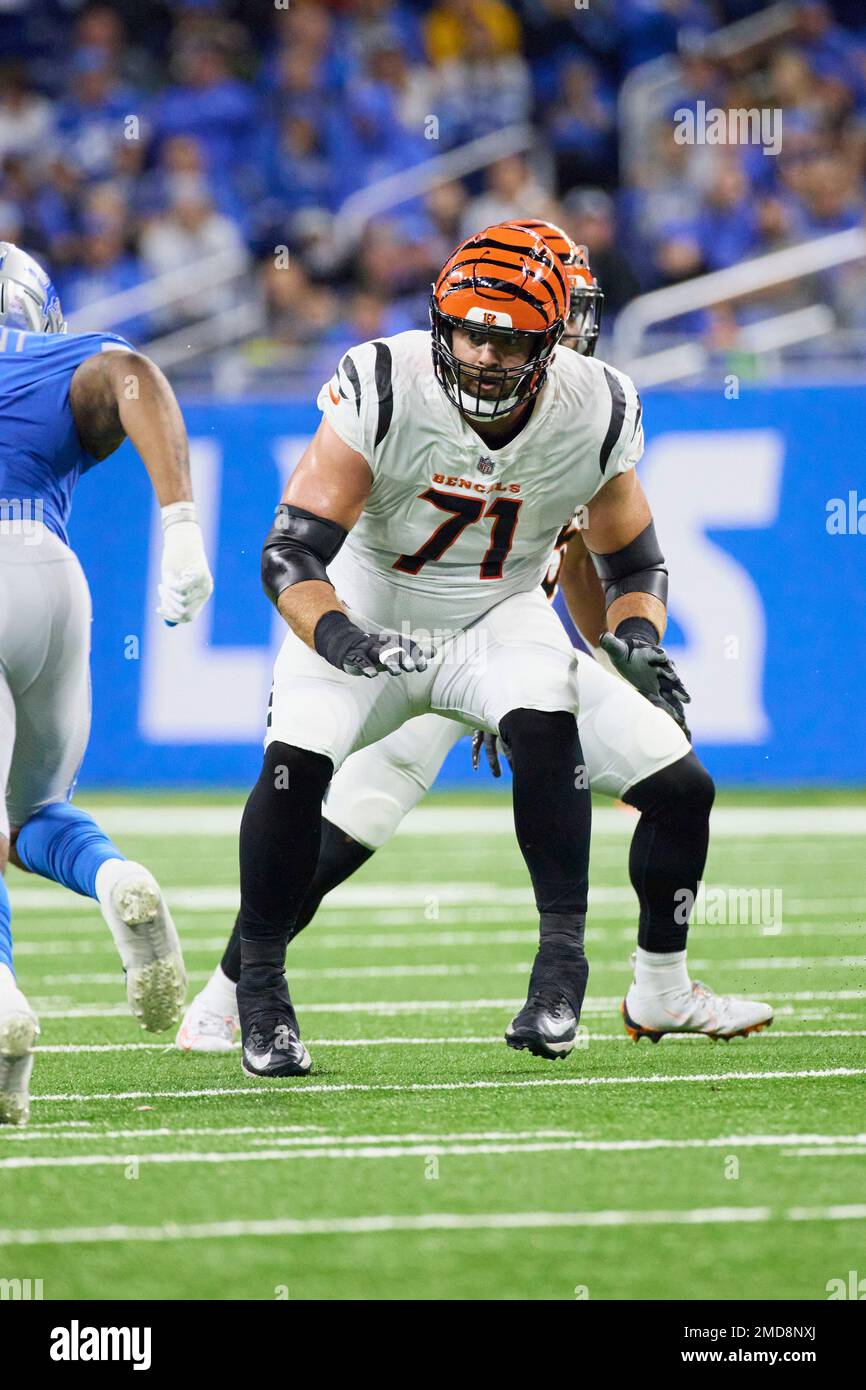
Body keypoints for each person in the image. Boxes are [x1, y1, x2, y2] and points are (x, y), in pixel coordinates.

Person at [179, 223, 772, 1061]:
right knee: (330, 825)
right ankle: (233, 994)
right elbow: (293, 551)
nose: (493, 352)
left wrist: (624, 648)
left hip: (502, 632)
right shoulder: (390, 384)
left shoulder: (589, 408)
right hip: (384, 629)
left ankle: (654, 988)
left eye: (521, 334)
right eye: (479, 332)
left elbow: (596, 559)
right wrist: (346, 637)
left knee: (674, 782)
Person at [0, 242, 213, 1124]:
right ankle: (113, 877)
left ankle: (5, 1008)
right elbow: (131, 374)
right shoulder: (55, 359)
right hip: (51, 581)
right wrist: (183, 524)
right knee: (31, 814)